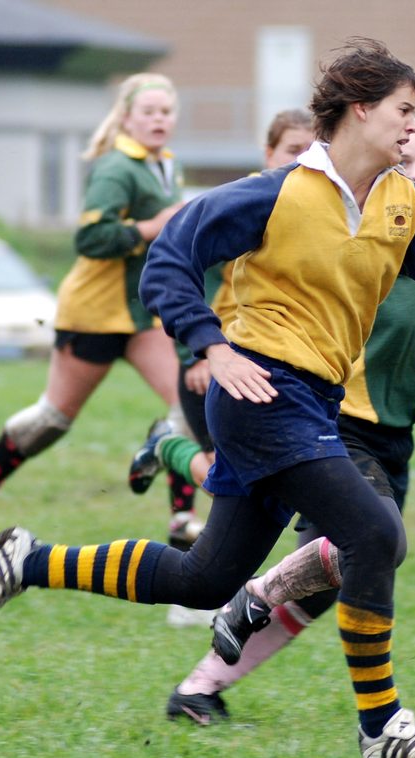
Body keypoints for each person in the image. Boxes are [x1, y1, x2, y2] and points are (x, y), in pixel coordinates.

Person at [0, 39, 415, 758]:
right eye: (403, 113)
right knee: (375, 536)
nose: (413, 132)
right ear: (359, 110)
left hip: (310, 402)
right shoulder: (276, 193)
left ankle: (29, 561)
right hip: (260, 394)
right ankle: (383, 729)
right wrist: (211, 347)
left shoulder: (400, 206)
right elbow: (168, 261)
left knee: (206, 578)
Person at [163, 115, 415, 722]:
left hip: (394, 434)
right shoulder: (357, 234)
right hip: (333, 421)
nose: (414, 174)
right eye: (403, 164)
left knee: (338, 576)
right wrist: (210, 347)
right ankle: (375, 719)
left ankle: (198, 688)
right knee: (374, 542)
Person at [0, 73, 196, 552]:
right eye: (148, 112)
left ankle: (182, 520)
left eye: (165, 112)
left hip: (143, 312)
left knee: (186, 404)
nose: (158, 120)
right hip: (94, 313)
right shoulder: (115, 169)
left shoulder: (167, 164)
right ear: (126, 117)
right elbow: (89, 239)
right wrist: (151, 227)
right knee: (53, 420)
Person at [131, 108, 315, 629]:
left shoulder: (310, 203)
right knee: (228, 482)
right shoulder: (251, 201)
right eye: (291, 150)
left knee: (240, 486)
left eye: (311, 149)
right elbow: (190, 273)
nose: (301, 160)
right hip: (220, 364)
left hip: (264, 367)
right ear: (268, 153)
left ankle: (211, 587)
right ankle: (166, 447)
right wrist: (199, 353)